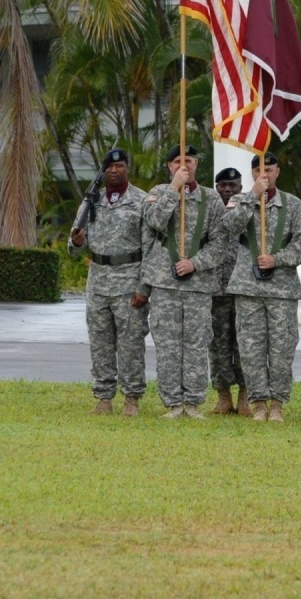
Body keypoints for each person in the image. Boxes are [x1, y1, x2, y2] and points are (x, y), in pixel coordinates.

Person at [222, 152, 301, 422]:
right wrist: (252, 196)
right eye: (259, 170)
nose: (265, 175)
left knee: (282, 349)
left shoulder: (292, 205)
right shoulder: (239, 200)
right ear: (251, 174)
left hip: (281, 289)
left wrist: (277, 259)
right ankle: (258, 404)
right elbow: (230, 227)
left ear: (277, 172)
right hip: (248, 288)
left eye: (269, 170)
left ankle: (277, 405)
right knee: (250, 349)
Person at [140, 143, 227, 419]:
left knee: (197, 342)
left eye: (188, 160)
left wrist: (195, 263)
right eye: (177, 161)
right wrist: (173, 190)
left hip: (198, 284)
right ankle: (173, 403)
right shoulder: (157, 193)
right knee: (167, 344)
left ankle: (193, 402)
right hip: (164, 282)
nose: (183, 166)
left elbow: (220, 243)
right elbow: (154, 221)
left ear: (197, 164)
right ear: (169, 166)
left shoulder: (211, 199)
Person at [68, 148, 150, 417]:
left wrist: (144, 287)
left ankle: (131, 399)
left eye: (119, 166)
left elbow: (151, 248)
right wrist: (77, 242)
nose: (114, 170)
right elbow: (74, 245)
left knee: (131, 344)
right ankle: (103, 398)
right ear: (103, 171)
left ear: (128, 168)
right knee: (100, 342)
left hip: (129, 280)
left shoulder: (142, 201)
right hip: (99, 283)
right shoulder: (91, 201)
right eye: (109, 167)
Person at [210, 167, 250, 416]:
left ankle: (245, 395)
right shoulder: (210, 211)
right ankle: (223, 396)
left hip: (243, 288)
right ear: (216, 188)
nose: (227, 189)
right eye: (222, 185)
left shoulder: (247, 210)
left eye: (232, 186)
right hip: (214, 289)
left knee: (244, 345)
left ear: (240, 187)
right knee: (217, 346)